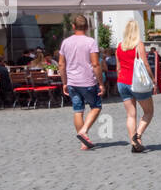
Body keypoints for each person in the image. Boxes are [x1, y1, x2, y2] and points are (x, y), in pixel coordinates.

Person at [59, 14, 105, 149]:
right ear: (87, 27)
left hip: (72, 82)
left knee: (78, 110)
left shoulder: (65, 42)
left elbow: (61, 64)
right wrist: (101, 83)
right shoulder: (90, 42)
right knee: (96, 107)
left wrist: (64, 82)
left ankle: (83, 142)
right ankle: (83, 131)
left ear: (73, 26)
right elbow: (95, 64)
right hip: (87, 81)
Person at [115, 20, 155, 153]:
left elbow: (118, 68)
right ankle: (137, 136)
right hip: (137, 83)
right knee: (149, 112)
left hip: (122, 82)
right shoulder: (139, 45)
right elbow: (145, 64)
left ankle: (134, 143)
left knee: (131, 115)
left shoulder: (119, 46)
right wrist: (153, 79)